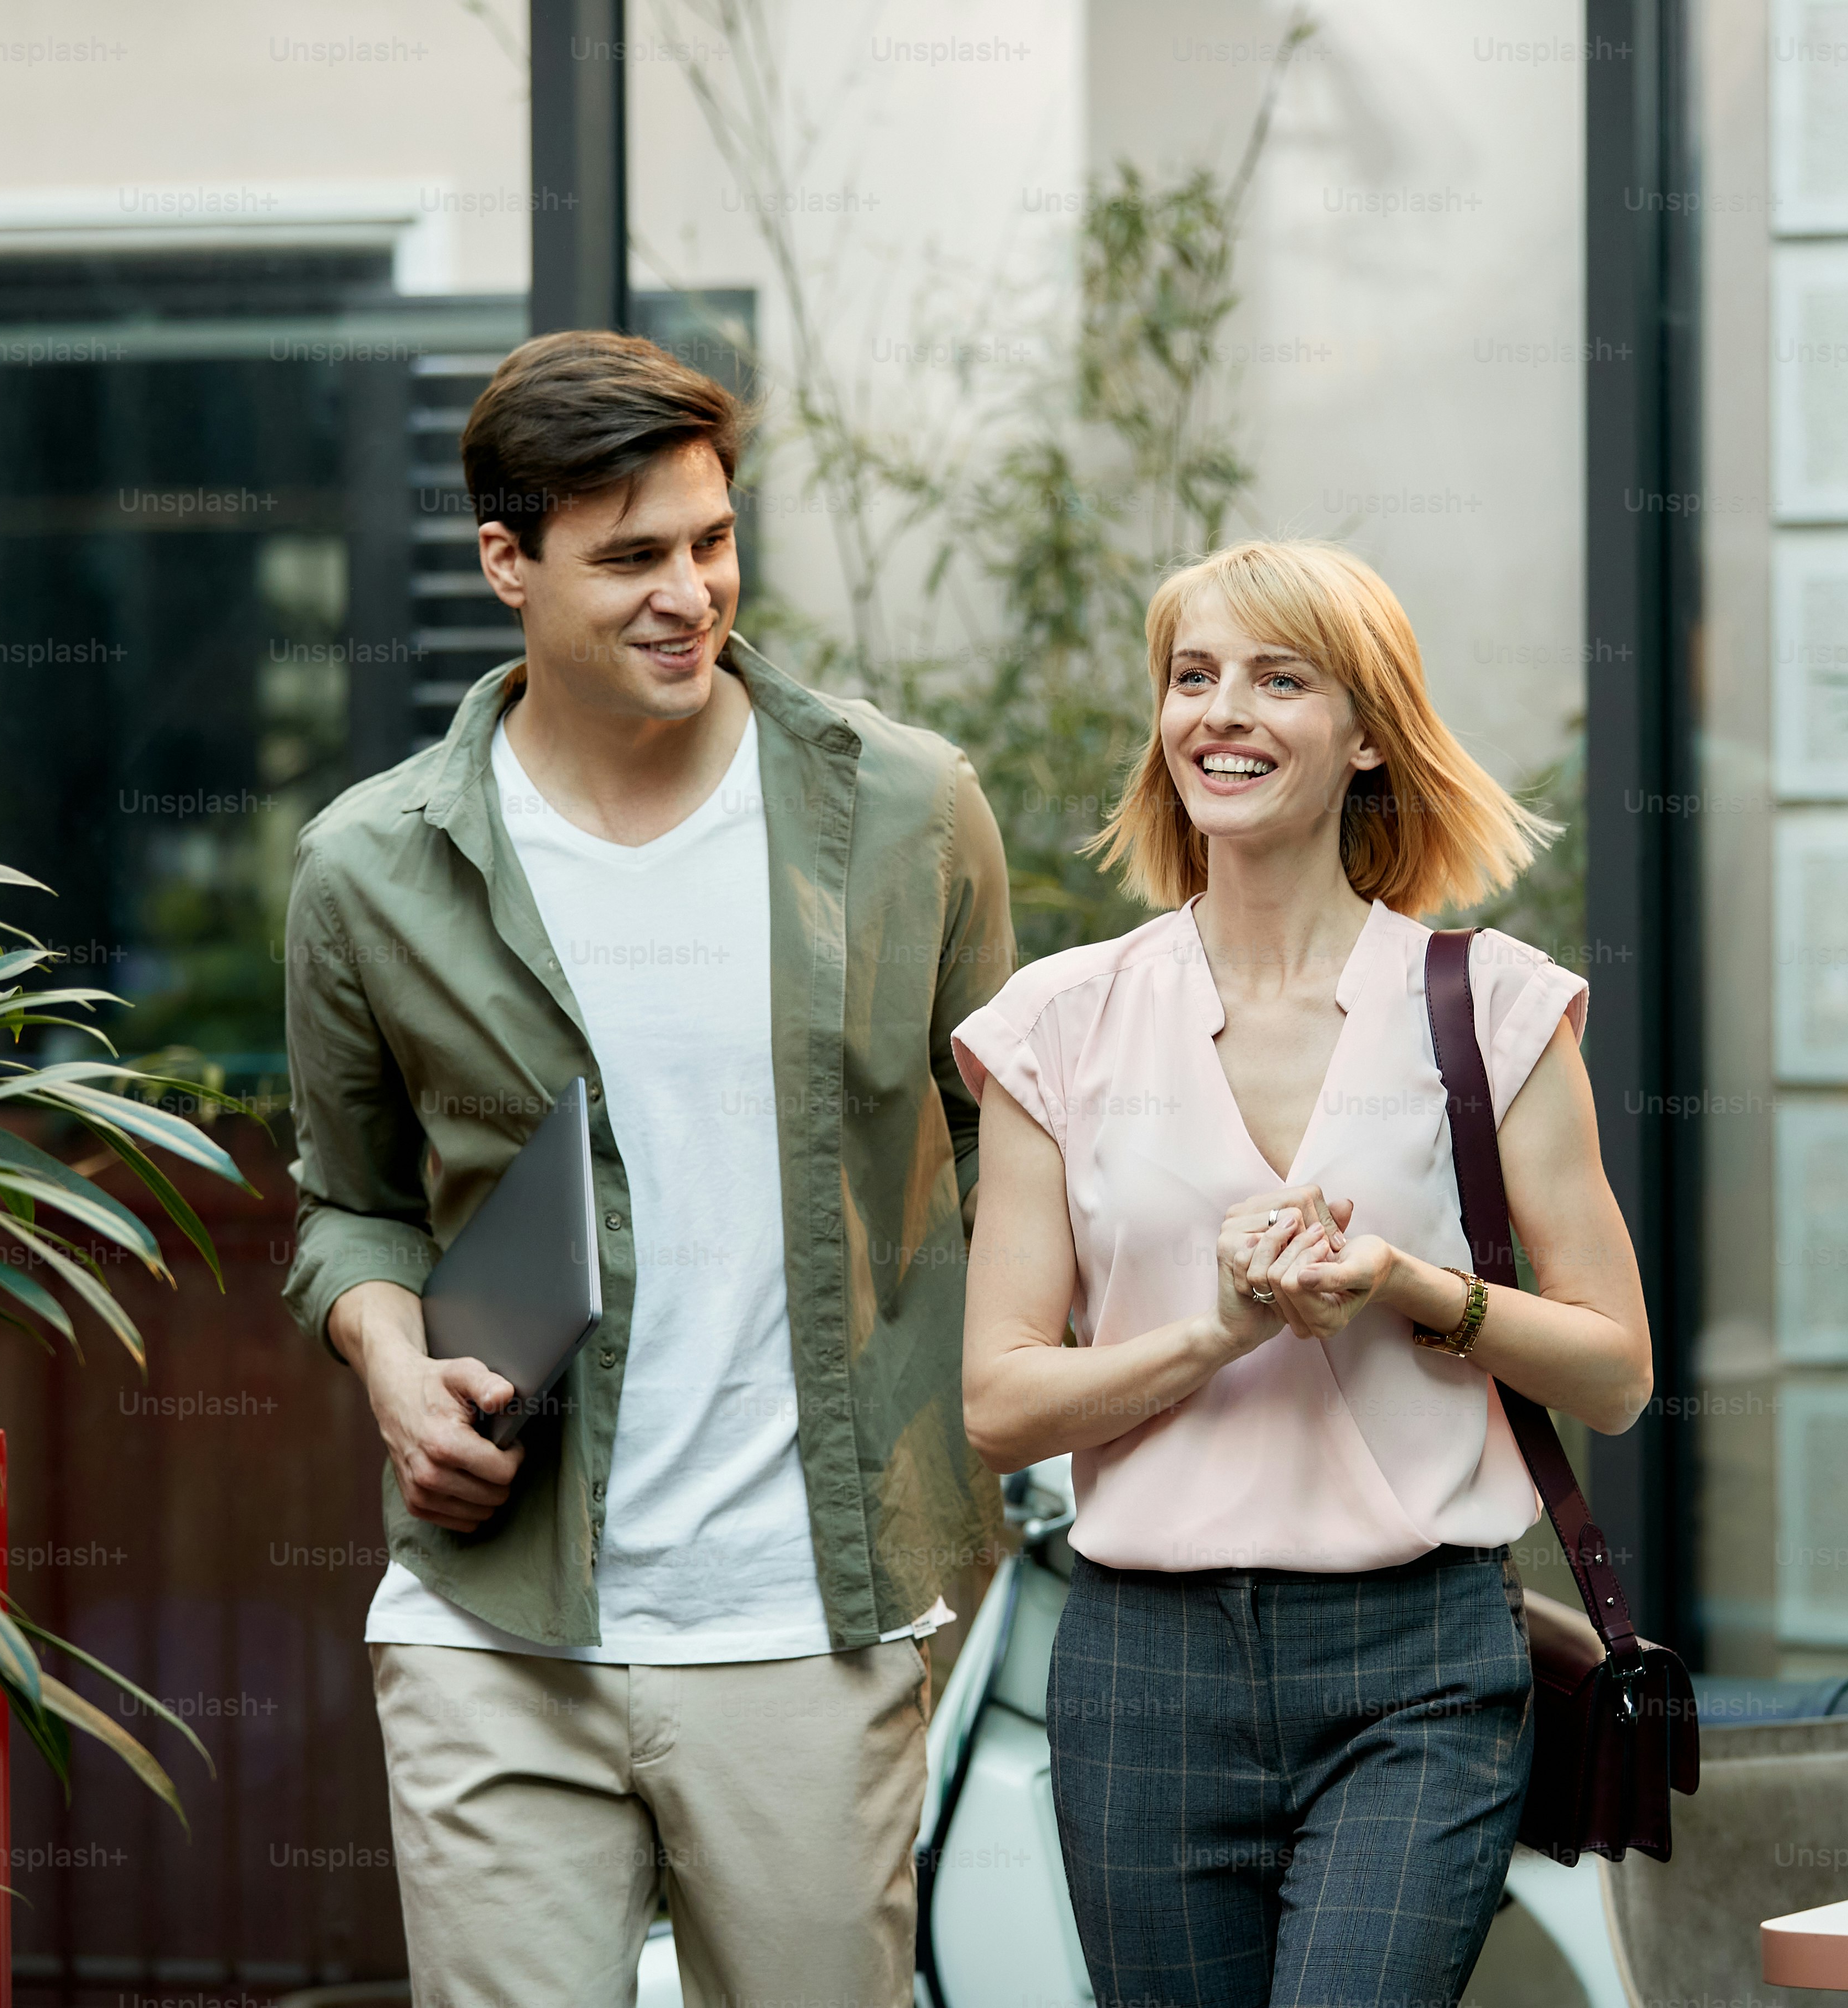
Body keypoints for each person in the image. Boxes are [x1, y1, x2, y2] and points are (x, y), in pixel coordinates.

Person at [281, 329, 1014, 2008]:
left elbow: (1006, 1152)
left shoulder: (906, 809)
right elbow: (350, 1200)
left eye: (711, 542)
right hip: (497, 1633)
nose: (690, 593)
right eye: (628, 559)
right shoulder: (372, 867)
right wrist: (390, 1361)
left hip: (807, 1624)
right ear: (504, 563)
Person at [953, 538, 1656, 2006]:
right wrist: (1214, 1333)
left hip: (1420, 1667)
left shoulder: (1495, 1011)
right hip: (1146, 1672)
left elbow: (1616, 1370)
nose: (1225, 711)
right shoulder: (1057, 1028)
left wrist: (1409, 1282)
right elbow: (1003, 1405)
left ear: (1369, 734)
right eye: (1192, 678)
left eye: (1281, 679)